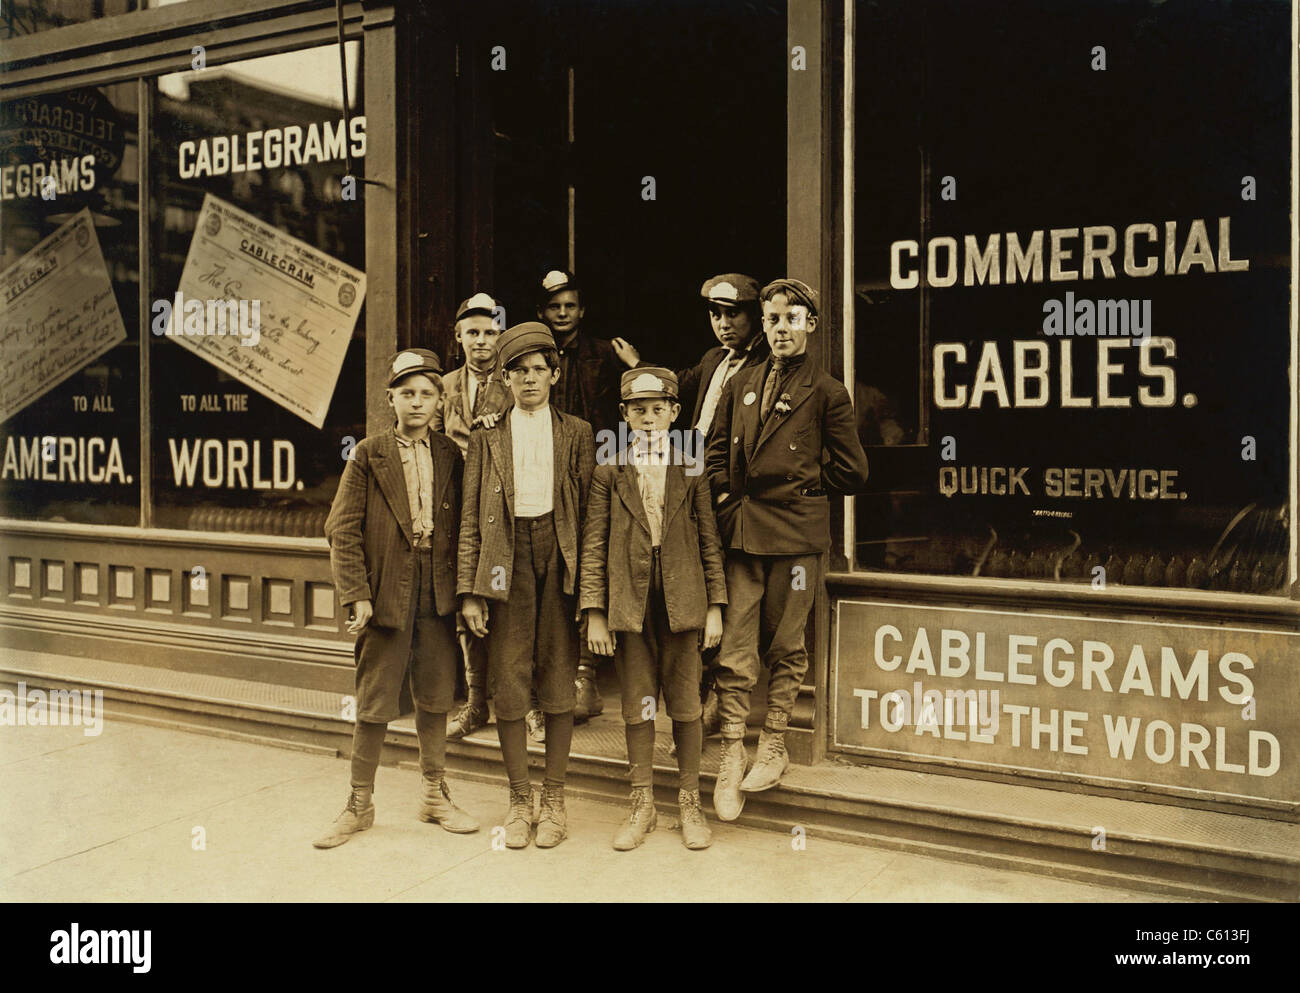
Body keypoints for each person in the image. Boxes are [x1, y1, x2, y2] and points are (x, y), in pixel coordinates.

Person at [705, 278, 870, 821]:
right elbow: (714, 455)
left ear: (810, 326)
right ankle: (732, 751)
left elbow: (854, 471)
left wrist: (802, 490)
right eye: (773, 319)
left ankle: (774, 743)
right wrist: (726, 500)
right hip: (744, 535)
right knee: (734, 646)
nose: (781, 329)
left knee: (785, 643)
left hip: (796, 541)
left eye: (792, 319)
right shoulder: (742, 383)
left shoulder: (826, 392)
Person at [315, 348, 478, 849]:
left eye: (427, 394)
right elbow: (341, 529)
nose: (417, 402)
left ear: (440, 401)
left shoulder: (450, 455)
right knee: (375, 699)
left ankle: (434, 794)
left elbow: (466, 526)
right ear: (391, 399)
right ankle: (358, 803)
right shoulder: (368, 454)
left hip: (438, 591)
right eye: (408, 393)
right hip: (387, 590)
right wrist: (357, 595)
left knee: (435, 695)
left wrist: (467, 592)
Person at [458, 322, 596, 849]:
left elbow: (591, 518)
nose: (530, 379)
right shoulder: (486, 434)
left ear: (555, 375)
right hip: (505, 557)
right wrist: (471, 589)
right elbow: (470, 516)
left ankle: (554, 798)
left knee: (559, 677)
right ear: (504, 378)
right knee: (509, 679)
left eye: (540, 369)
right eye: (519, 371)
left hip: (559, 556)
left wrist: (590, 593)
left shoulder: (578, 432)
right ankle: (519, 799)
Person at [581, 368, 727, 851]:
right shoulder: (609, 471)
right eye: (638, 410)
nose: (648, 419)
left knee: (686, 705)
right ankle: (642, 802)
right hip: (631, 604)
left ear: (674, 413)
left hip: (683, 603)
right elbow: (594, 544)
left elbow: (709, 541)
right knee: (638, 703)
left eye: (657, 410)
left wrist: (715, 606)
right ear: (624, 415)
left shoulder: (691, 468)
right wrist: (595, 610)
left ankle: (690, 801)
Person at [432, 292, 540, 742]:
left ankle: (528, 703)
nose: (481, 341)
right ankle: (477, 703)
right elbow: (434, 445)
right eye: (472, 332)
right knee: (468, 603)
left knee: (513, 603)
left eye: (490, 332)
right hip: (457, 509)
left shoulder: (516, 381)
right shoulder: (443, 386)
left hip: (504, 508)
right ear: (458, 337)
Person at [535, 268, 640, 722]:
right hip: (546, 475)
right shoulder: (534, 358)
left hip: (597, 474)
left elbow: (642, 401)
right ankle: (555, 675)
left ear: (582, 310)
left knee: (590, 565)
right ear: (542, 312)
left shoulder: (605, 354)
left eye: (570, 306)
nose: (563, 313)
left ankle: (587, 674)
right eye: (554, 307)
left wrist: (636, 365)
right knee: (553, 569)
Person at [674, 273, 770, 737]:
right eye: (716, 314)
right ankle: (692, 696)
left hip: (730, 492)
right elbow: (679, 386)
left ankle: (719, 696)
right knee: (696, 585)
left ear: (754, 316)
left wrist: (729, 489)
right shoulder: (714, 359)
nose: (724, 324)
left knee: (728, 590)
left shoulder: (766, 365)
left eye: (734, 314)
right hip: (695, 481)